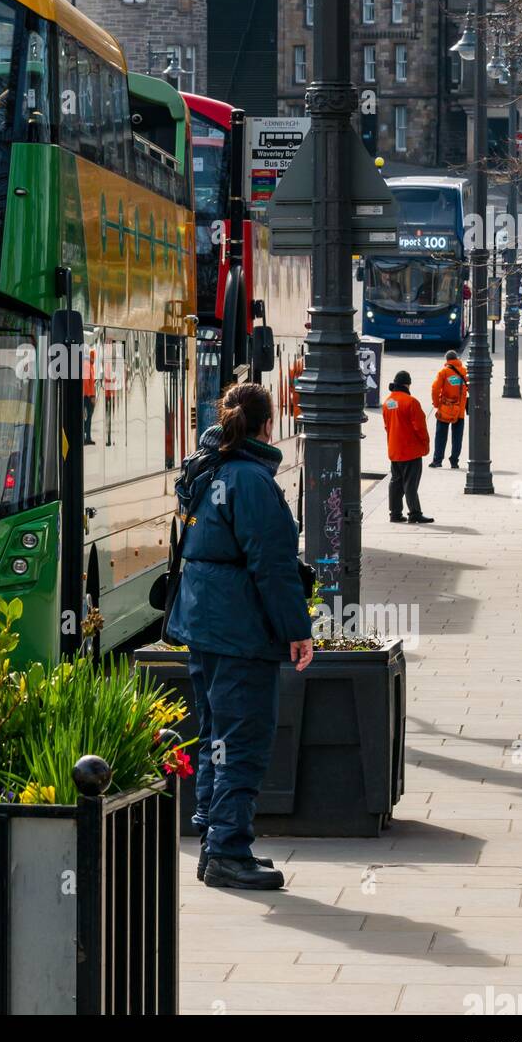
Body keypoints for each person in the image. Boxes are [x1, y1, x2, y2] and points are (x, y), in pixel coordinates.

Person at [167, 382, 314, 892]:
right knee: (241, 741)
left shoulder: (203, 469)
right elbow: (272, 566)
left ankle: (213, 841)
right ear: (267, 425)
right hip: (238, 631)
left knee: (215, 739)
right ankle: (228, 850)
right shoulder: (251, 480)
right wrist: (297, 631)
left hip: (202, 623)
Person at [382, 370, 433, 524]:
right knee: (410, 483)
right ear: (407, 384)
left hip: (394, 449)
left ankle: (395, 513)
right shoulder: (411, 402)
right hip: (410, 450)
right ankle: (414, 513)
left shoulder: (387, 402)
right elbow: (420, 427)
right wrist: (425, 443)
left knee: (396, 482)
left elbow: (387, 426)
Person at [429, 350, 468, 470]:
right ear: (456, 359)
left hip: (445, 408)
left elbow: (435, 389)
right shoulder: (464, 372)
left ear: (447, 360)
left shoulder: (444, 372)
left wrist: (436, 404)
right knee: (457, 436)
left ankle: (437, 460)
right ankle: (454, 461)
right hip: (459, 410)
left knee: (441, 435)